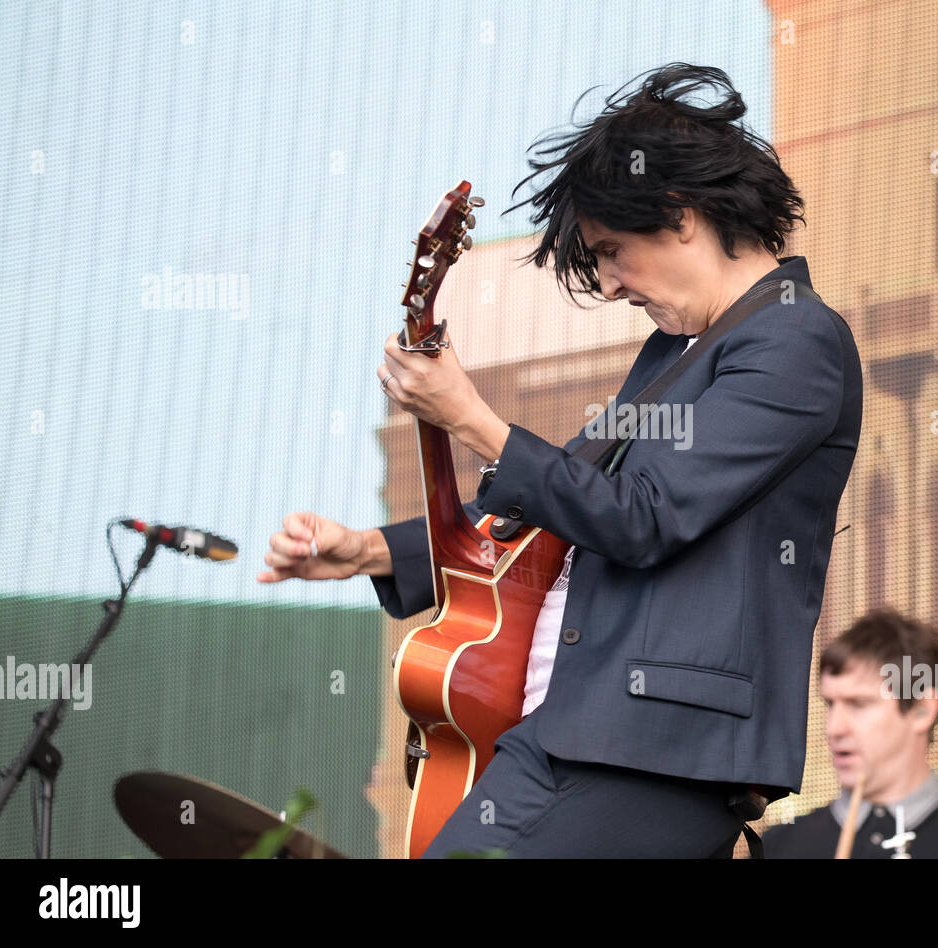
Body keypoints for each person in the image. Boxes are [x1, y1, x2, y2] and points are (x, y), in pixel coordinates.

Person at [258, 63, 863, 858]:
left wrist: (468, 417)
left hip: (651, 748)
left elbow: (645, 516)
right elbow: (548, 514)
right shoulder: (676, 351)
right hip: (574, 733)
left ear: (680, 215)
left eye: (613, 251)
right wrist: (367, 551)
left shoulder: (795, 339)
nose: (609, 283)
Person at [763, 607, 938, 858]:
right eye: (830, 704)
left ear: (922, 709)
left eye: (858, 704)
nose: (834, 728)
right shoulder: (780, 848)